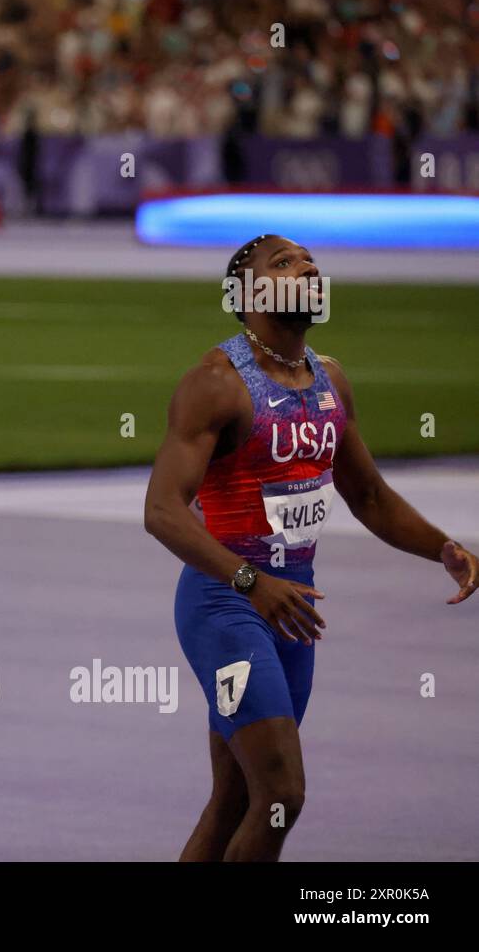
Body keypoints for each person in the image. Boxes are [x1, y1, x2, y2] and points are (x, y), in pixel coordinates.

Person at [144, 233, 477, 861]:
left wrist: (443, 549)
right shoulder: (216, 385)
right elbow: (161, 511)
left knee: (236, 799)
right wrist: (252, 583)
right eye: (284, 262)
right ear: (246, 295)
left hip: (292, 612)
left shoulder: (331, 381)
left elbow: (370, 496)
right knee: (281, 795)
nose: (307, 266)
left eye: (308, 260)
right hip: (226, 607)